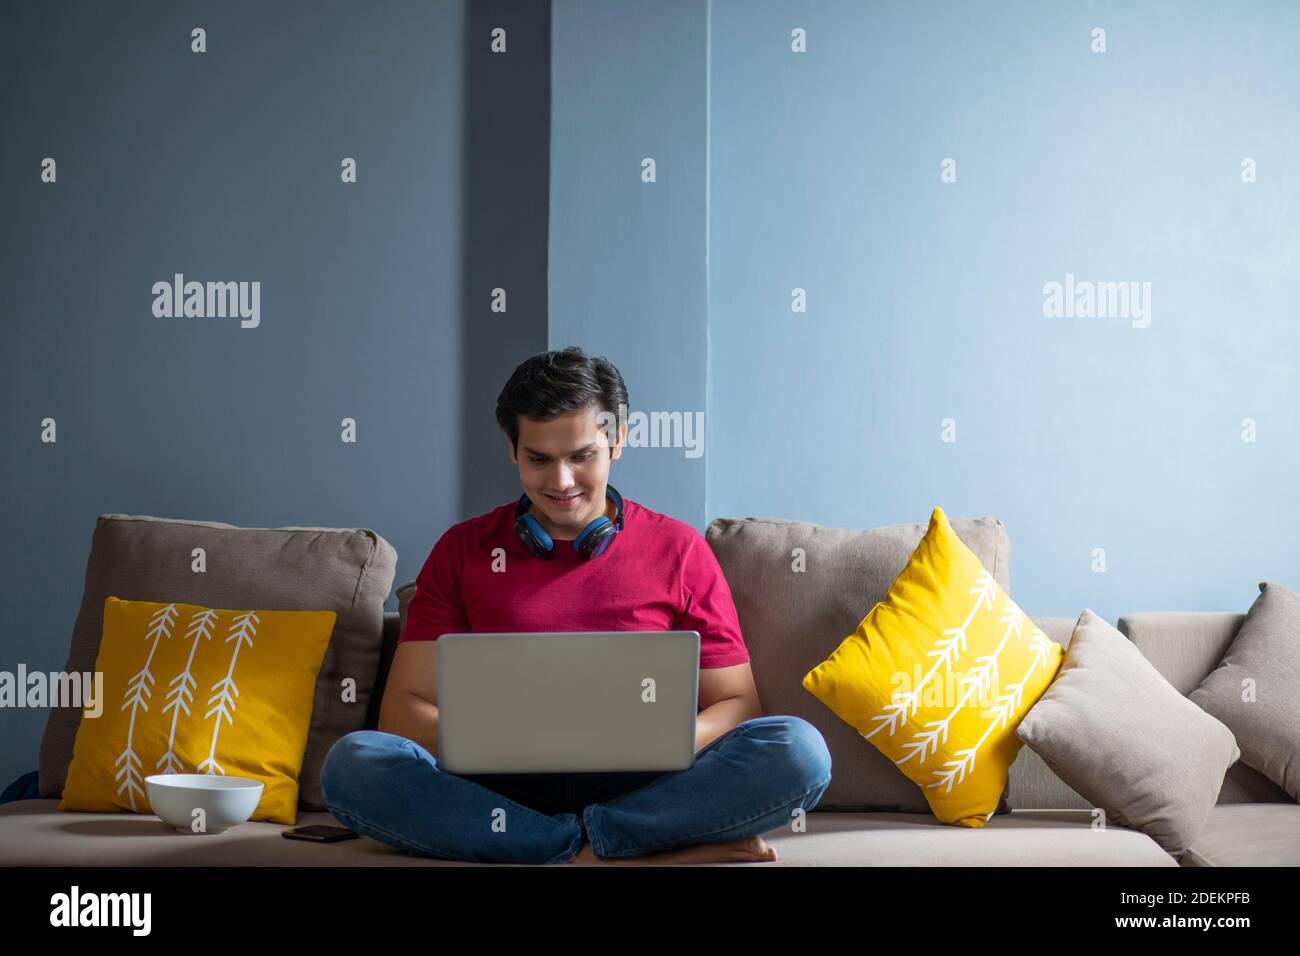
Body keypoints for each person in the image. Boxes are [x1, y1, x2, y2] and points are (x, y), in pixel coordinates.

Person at [320, 347, 831, 864]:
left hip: (646, 786)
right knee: (355, 763)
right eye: (538, 459)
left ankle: (560, 844)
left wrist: (655, 739)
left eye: (582, 456)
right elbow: (403, 713)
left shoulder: (679, 550)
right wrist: (507, 739)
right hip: (497, 788)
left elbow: (739, 707)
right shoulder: (463, 549)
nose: (561, 482)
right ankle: (608, 847)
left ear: (618, 439)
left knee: (798, 751)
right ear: (512, 448)